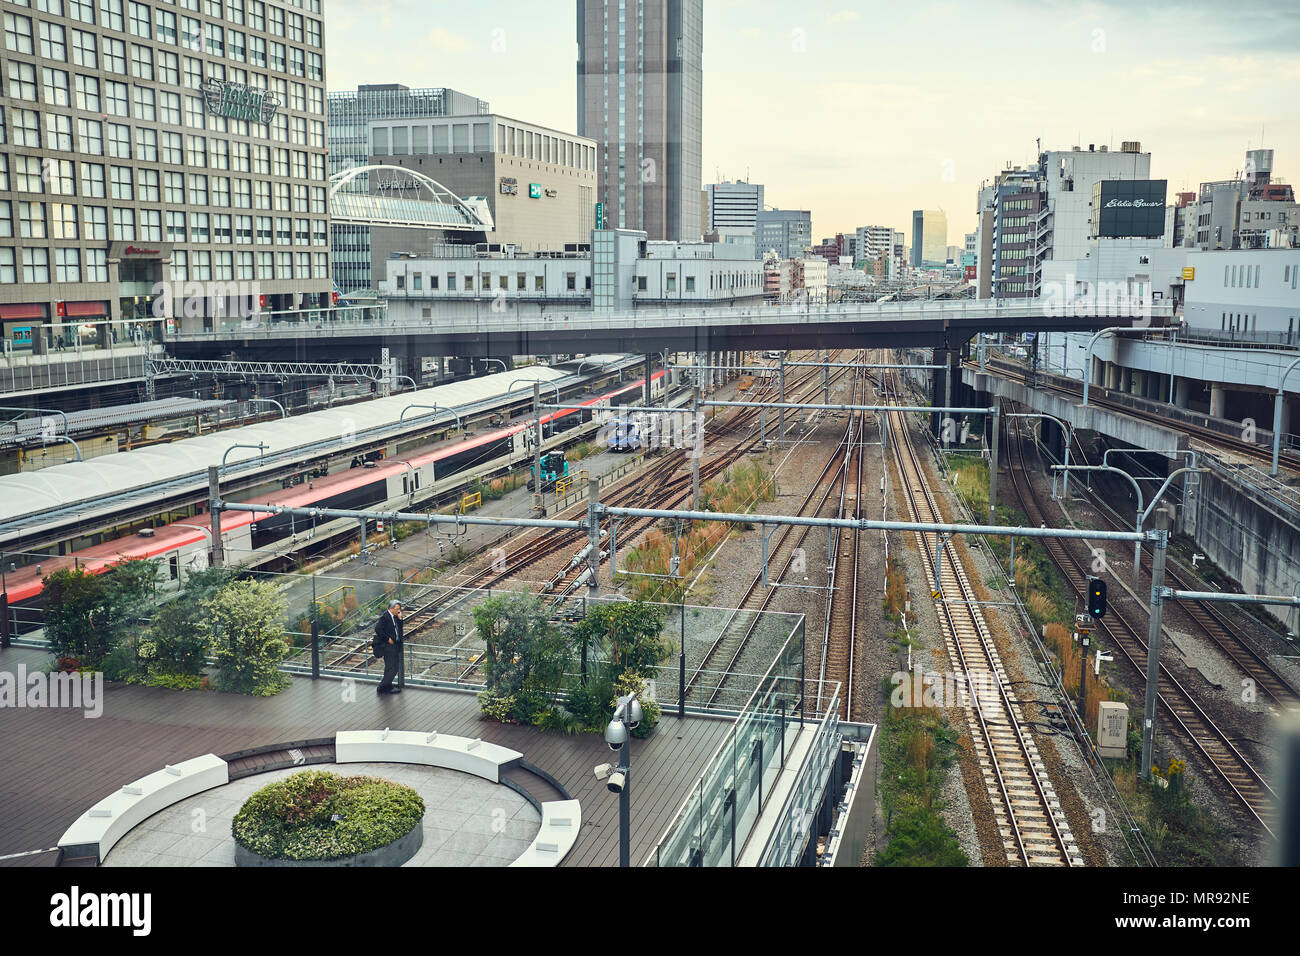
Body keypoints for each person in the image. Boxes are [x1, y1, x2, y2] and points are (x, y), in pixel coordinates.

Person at [373, 600, 404, 694]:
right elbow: (377, 629)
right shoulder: (385, 617)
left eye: (399, 609)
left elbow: (399, 629)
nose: (399, 611)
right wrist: (387, 639)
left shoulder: (394, 616)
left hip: (395, 645)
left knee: (395, 666)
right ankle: (383, 687)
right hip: (388, 647)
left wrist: (400, 619)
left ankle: (387, 684)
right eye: (397, 609)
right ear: (391, 608)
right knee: (391, 667)